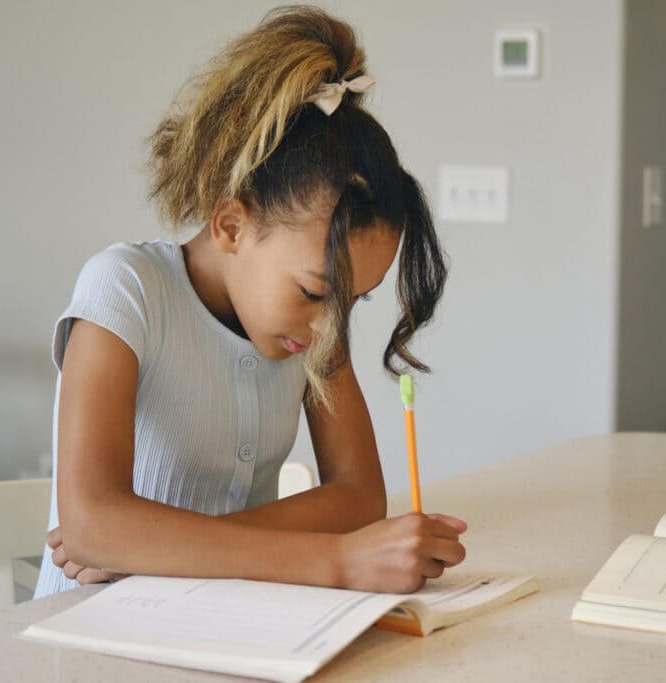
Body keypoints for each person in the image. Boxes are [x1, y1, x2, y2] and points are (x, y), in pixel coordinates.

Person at [34, 5, 466, 599]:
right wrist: (334, 559)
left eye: (351, 303)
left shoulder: (311, 329)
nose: (327, 328)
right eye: (314, 291)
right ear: (232, 226)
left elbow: (360, 495)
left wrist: (153, 550)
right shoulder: (126, 290)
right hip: (86, 636)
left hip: (224, 622)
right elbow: (91, 524)